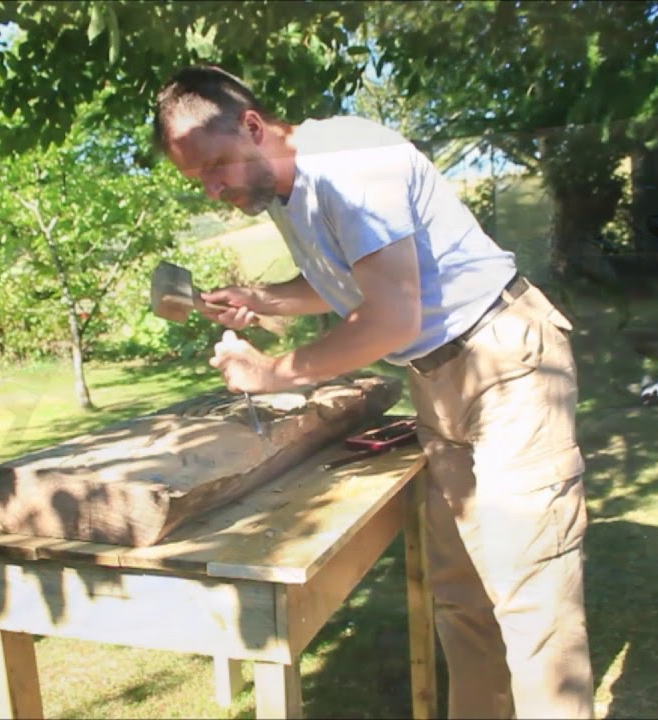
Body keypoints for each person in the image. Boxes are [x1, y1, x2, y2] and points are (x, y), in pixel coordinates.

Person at [153, 65, 594, 719]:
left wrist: (272, 372)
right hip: (436, 381)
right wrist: (257, 298)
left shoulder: (347, 160)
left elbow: (391, 316)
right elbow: (345, 281)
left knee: (531, 597)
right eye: (200, 180)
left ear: (252, 125)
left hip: (505, 360)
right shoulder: (283, 192)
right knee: (462, 598)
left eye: (216, 165)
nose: (214, 188)